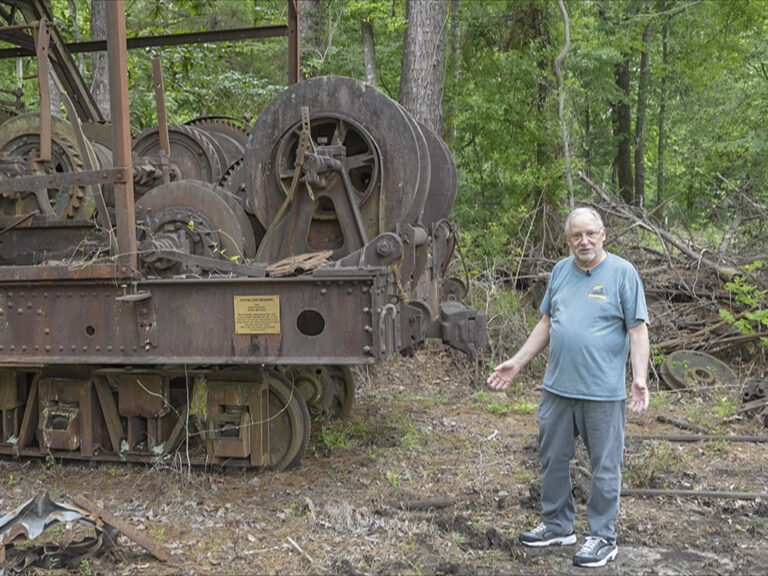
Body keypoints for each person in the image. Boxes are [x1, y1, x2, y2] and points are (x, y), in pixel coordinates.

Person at [487, 207, 650, 569]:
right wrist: (517, 362)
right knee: (553, 459)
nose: (584, 241)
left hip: (603, 393)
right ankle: (558, 525)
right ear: (567, 240)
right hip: (557, 389)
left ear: (603, 234)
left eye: (590, 233)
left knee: (605, 467)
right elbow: (547, 323)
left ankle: (603, 537)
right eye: (576, 235)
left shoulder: (623, 273)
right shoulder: (561, 271)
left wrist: (639, 377)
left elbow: (638, 330)